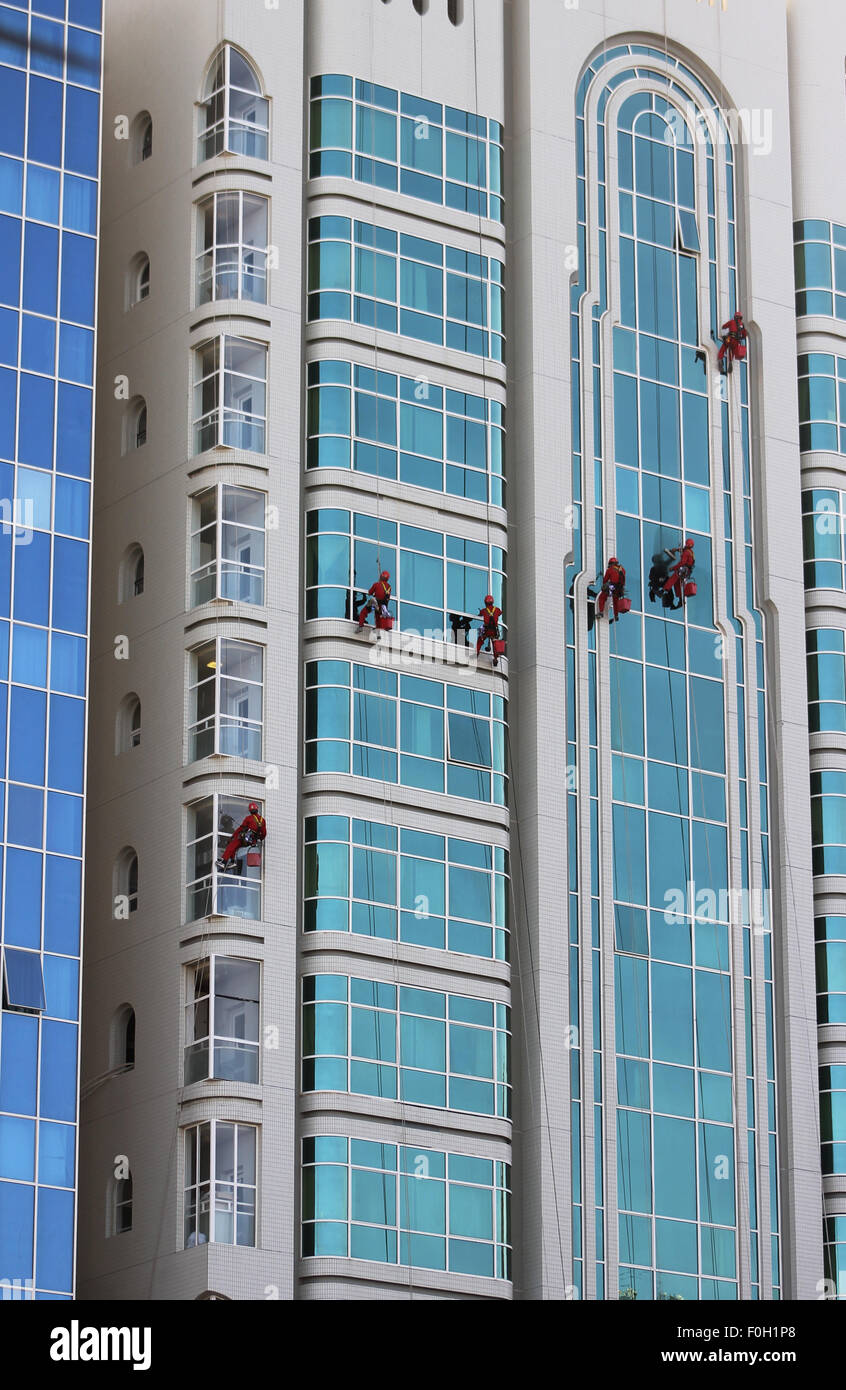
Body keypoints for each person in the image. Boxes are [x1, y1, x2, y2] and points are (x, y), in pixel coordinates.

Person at [216, 803, 267, 874]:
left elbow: (240, 828)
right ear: (257, 809)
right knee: (234, 847)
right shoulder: (263, 820)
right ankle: (232, 861)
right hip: (251, 841)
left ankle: (224, 862)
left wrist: (232, 837)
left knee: (231, 846)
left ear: (250, 811)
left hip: (245, 839)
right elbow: (264, 833)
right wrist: (259, 839)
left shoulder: (248, 818)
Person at [663, 538, 696, 609]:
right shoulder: (690, 552)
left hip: (684, 569)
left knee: (674, 577)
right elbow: (683, 549)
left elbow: (682, 563)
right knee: (677, 583)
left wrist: (673, 568)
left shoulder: (686, 552)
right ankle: (681, 600)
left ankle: (665, 589)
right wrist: (676, 549)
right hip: (687, 571)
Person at [476, 595, 503, 665]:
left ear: (485, 603)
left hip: (486, 630)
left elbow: (480, 614)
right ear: (492, 602)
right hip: (494, 631)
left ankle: (477, 652)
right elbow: (500, 613)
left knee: (480, 640)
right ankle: (496, 658)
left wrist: (480, 613)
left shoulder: (484, 611)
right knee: (495, 644)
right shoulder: (497, 609)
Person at [597, 557, 627, 622]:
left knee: (602, 597)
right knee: (615, 601)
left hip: (612, 587)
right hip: (619, 589)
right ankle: (616, 616)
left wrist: (605, 585)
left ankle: (601, 613)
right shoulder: (622, 570)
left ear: (611, 564)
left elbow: (605, 581)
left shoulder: (610, 569)